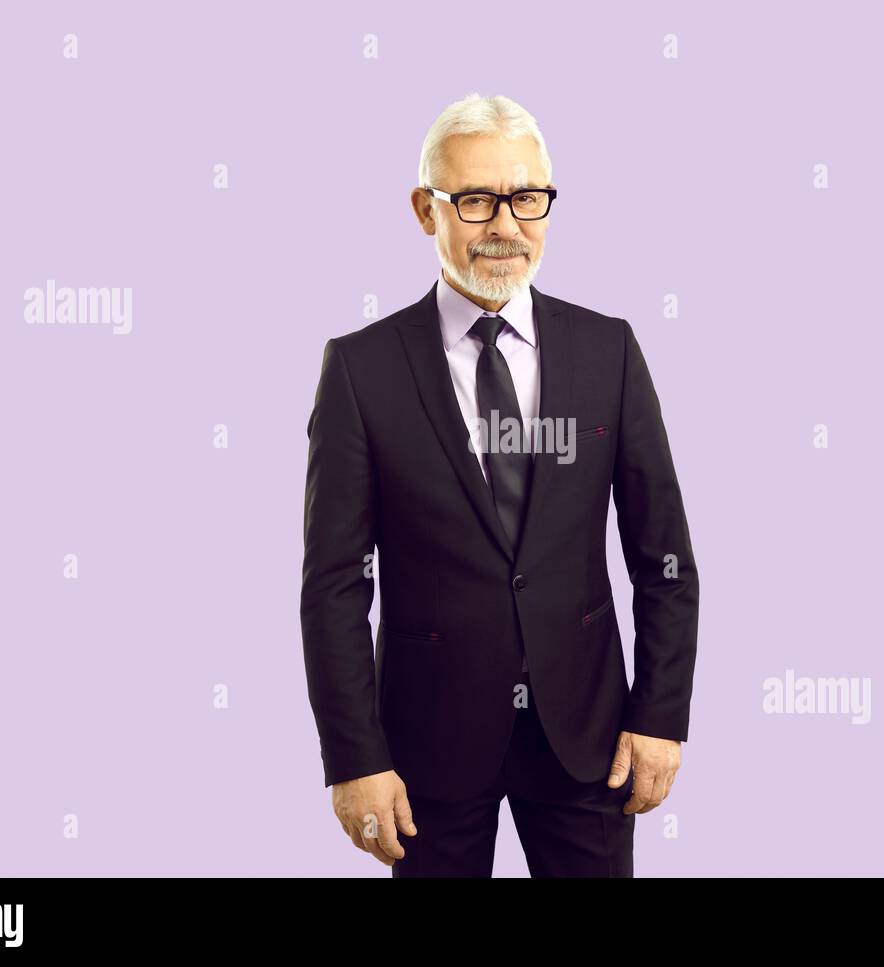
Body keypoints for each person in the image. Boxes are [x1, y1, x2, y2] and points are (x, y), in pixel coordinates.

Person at [299, 92, 699, 876]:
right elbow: (335, 586)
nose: (506, 227)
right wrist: (354, 757)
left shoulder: (608, 350)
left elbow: (664, 557)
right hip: (424, 754)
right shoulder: (360, 370)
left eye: (527, 198)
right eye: (477, 200)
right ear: (426, 210)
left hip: (590, 741)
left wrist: (661, 714)